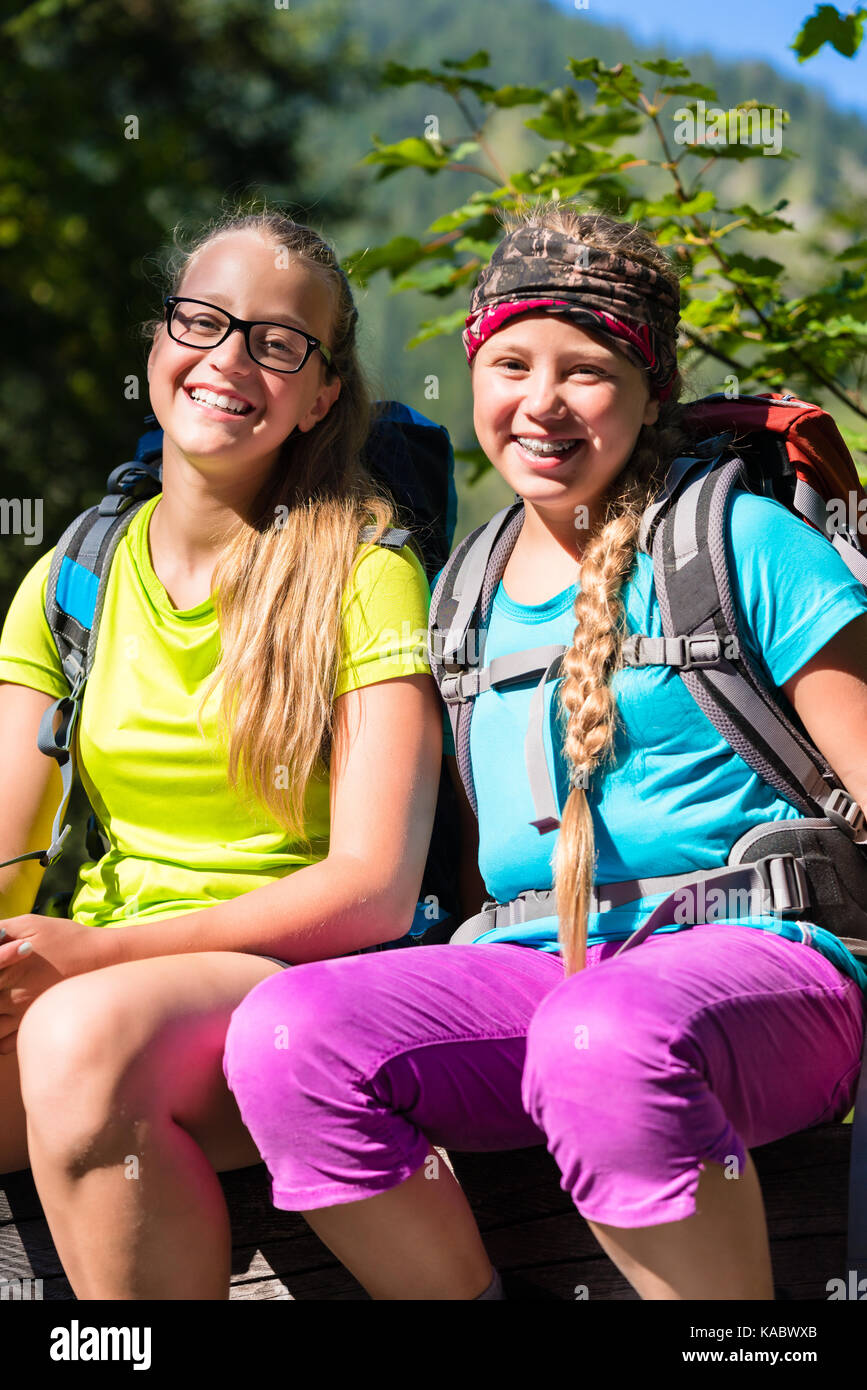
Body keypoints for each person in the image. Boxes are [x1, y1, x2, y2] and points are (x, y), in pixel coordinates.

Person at [220, 202, 867, 1301]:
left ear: (652, 388)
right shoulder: (461, 588)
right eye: (511, 361)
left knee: (598, 1033)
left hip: (769, 962)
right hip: (537, 971)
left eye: (588, 370)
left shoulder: (743, 541)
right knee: (292, 1036)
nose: (541, 402)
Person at [0, 211, 441, 1299]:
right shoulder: (73, 575)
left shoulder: (364, 572)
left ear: (323, 394)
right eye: (202, 320)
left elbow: (376, 892)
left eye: (278, 341)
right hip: (101, 987)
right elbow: (5, 849)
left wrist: (99, 959)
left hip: (302, 986)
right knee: (75, 1031)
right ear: (159, 344)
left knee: (79, 1039)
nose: (229, 359)